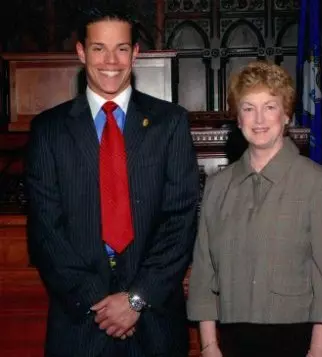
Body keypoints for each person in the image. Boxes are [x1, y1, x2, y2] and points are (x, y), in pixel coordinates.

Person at [25, 5, 200, 357]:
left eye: (121, 48)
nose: (111, 60)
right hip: (79, 324)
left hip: (155, 324)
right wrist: (99, 303)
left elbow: (180, 221)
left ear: (135, 53)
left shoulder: (170, 123)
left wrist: (136, 300)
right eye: (98, 48)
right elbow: (46, 231)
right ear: (80, 52)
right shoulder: (48, 130)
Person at [187, 61, 322, 357]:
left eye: (270, 107)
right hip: (232, 343)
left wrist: (318, 351)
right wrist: (209, 346)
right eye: (248, 108)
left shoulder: (318, 183)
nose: (259, 119)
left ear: (286, 114)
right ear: (238, 118)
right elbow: (203, 275)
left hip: (300, 342)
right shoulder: (217, 186)